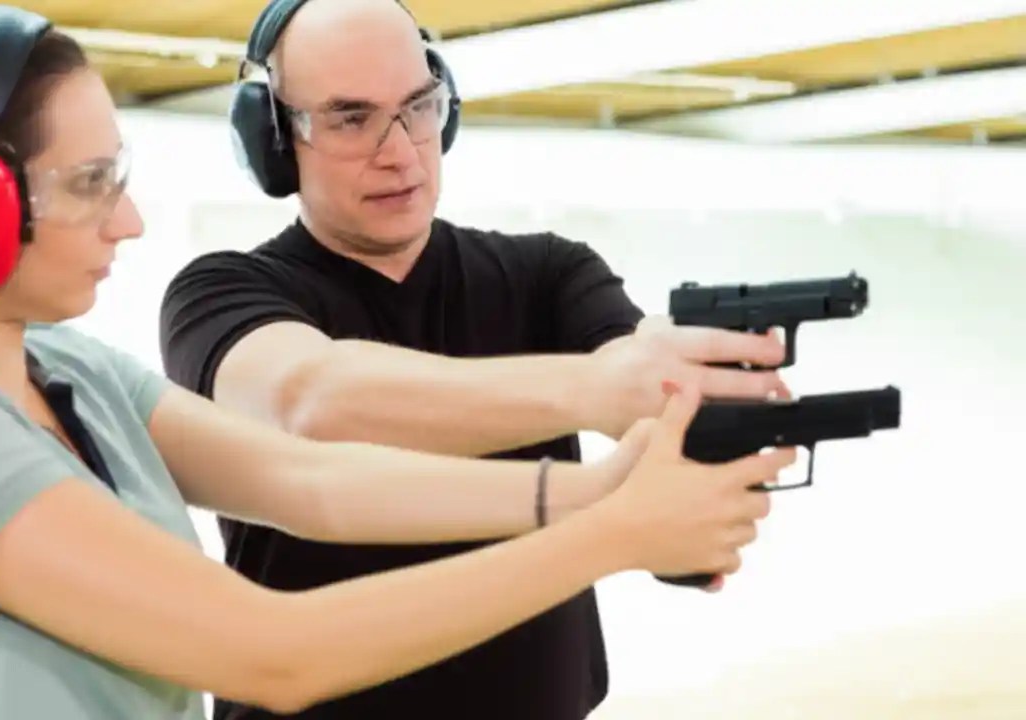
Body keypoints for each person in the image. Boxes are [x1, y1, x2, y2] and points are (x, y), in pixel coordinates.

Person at [0, 5, 791, 720]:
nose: (125, 220)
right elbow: (272, 651)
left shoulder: (69, 370)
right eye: (89, 184)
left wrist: (592, 490)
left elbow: (309, 486)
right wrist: (607, 529)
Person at [159, 0, 793, 718]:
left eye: (418, 108)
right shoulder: (221, 293)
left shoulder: (549, 273)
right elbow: (310, 402)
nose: (399, 150)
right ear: (274, 138)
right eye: (350, 119)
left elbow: (651, 416)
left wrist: (692, 462)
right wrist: (594, 389)